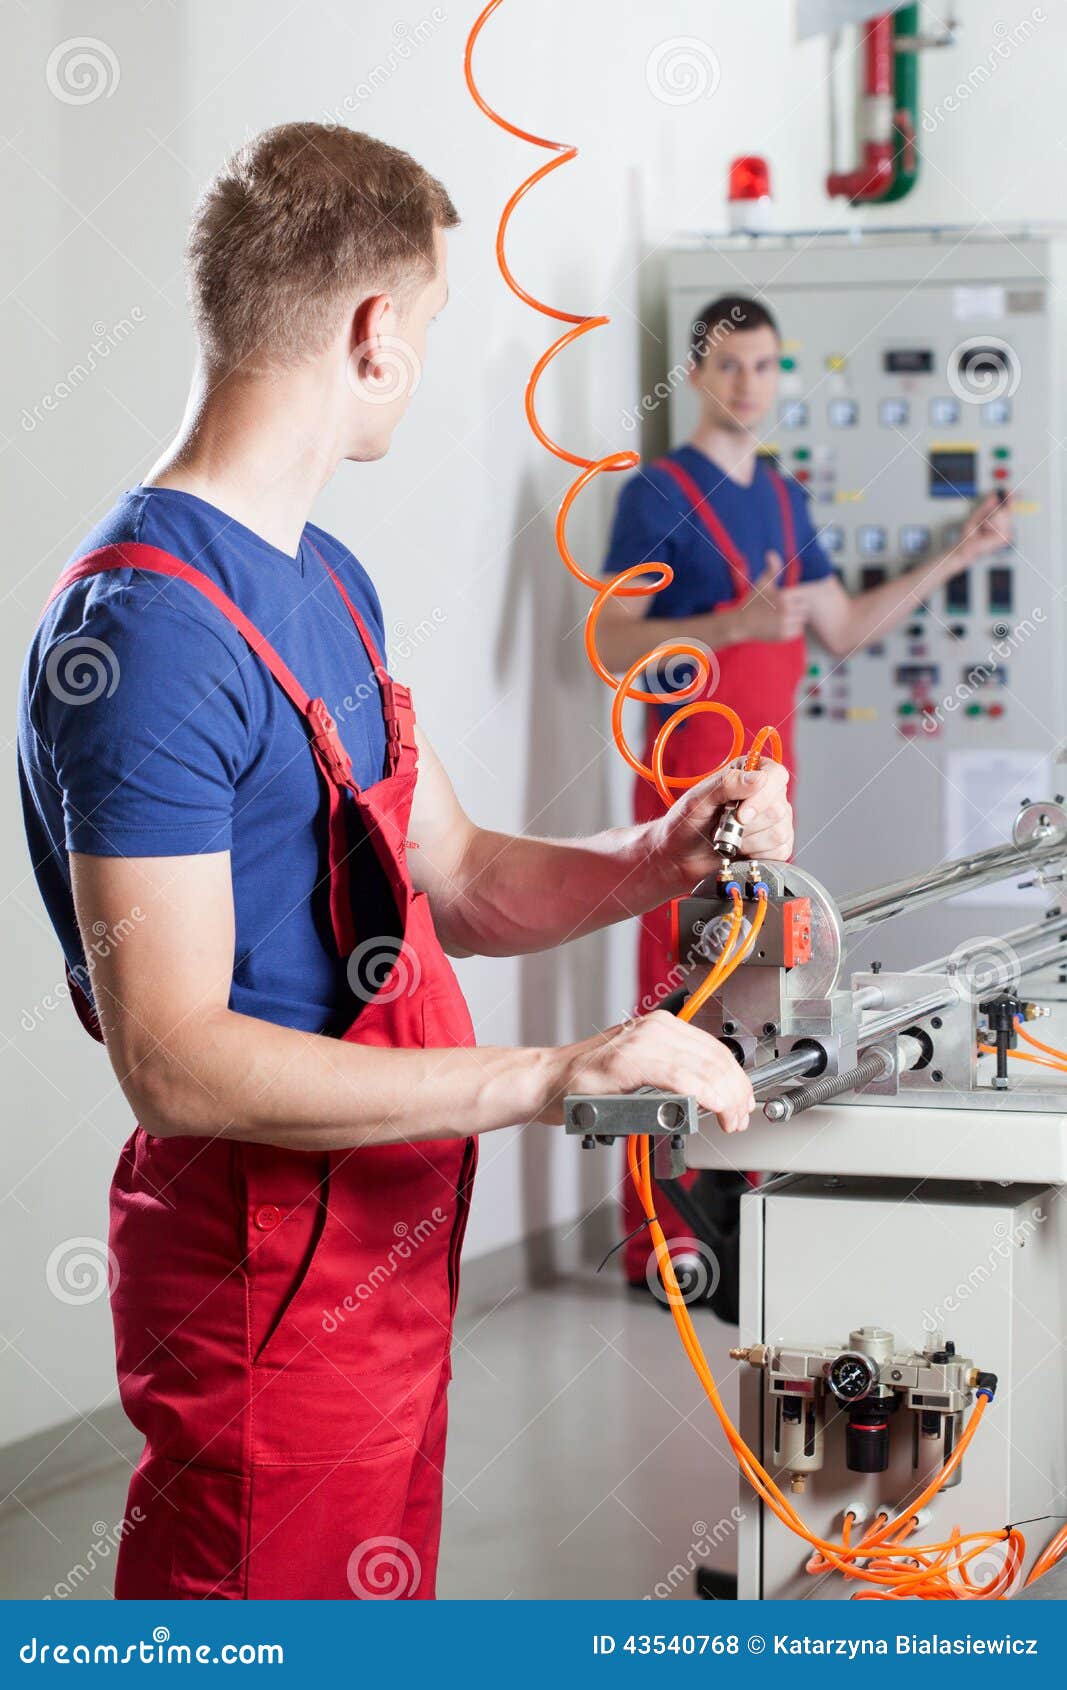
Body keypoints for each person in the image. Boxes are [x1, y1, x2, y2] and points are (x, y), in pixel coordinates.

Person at [17, 126, 793, 1601]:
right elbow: (173, 1061)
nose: (420, 364)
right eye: (429, 328)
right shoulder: (145, 634)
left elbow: (456, 873)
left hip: (382, 1240)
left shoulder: (325, 577)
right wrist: (554, 1070)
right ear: (374, 331)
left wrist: (659, 850)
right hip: (258, 1278)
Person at [597, 293, 1014, 1294]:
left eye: (764, 366)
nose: (748, 383)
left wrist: (958, 553)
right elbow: (608, 642)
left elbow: (843, 629)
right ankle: (658, 1230)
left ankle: (735, 1196)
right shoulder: (656, 493)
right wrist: (728, 627)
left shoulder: (783, 500)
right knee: (673, 994)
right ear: (695, 374)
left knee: (763, 994)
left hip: (772, 794)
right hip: (683, 787)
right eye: (729, 365)